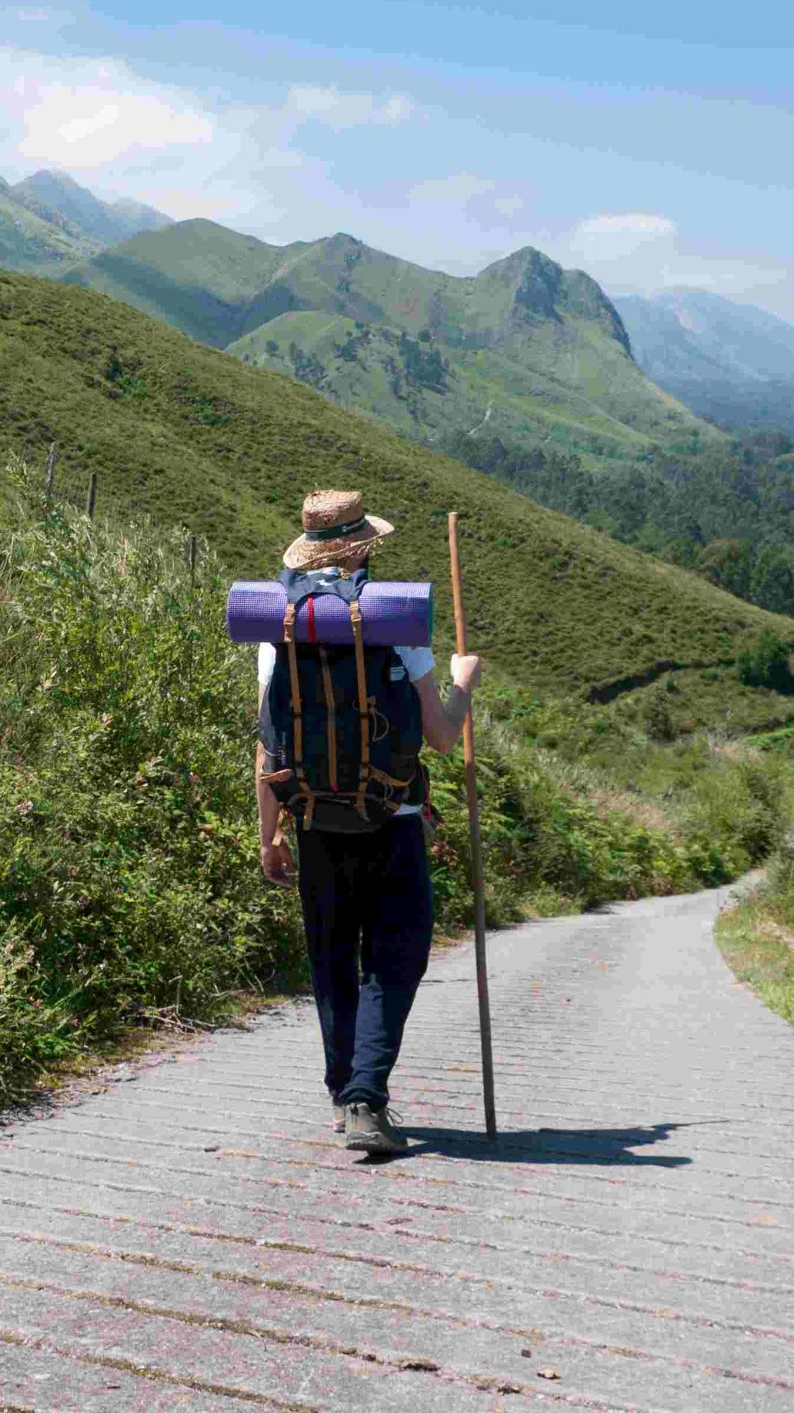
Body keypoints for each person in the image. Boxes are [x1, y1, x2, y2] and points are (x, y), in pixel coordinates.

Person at [255, 491, 479, 1155]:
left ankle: (341, 1091)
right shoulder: (393, 617)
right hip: (393, 816)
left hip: (314, 818)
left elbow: (269, 743)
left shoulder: (280, 622)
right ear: (359, 548)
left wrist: (267, 833)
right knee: (395, 958)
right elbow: (439, 735)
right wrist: (464, 681)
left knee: (332, 960)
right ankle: (365, 1099)